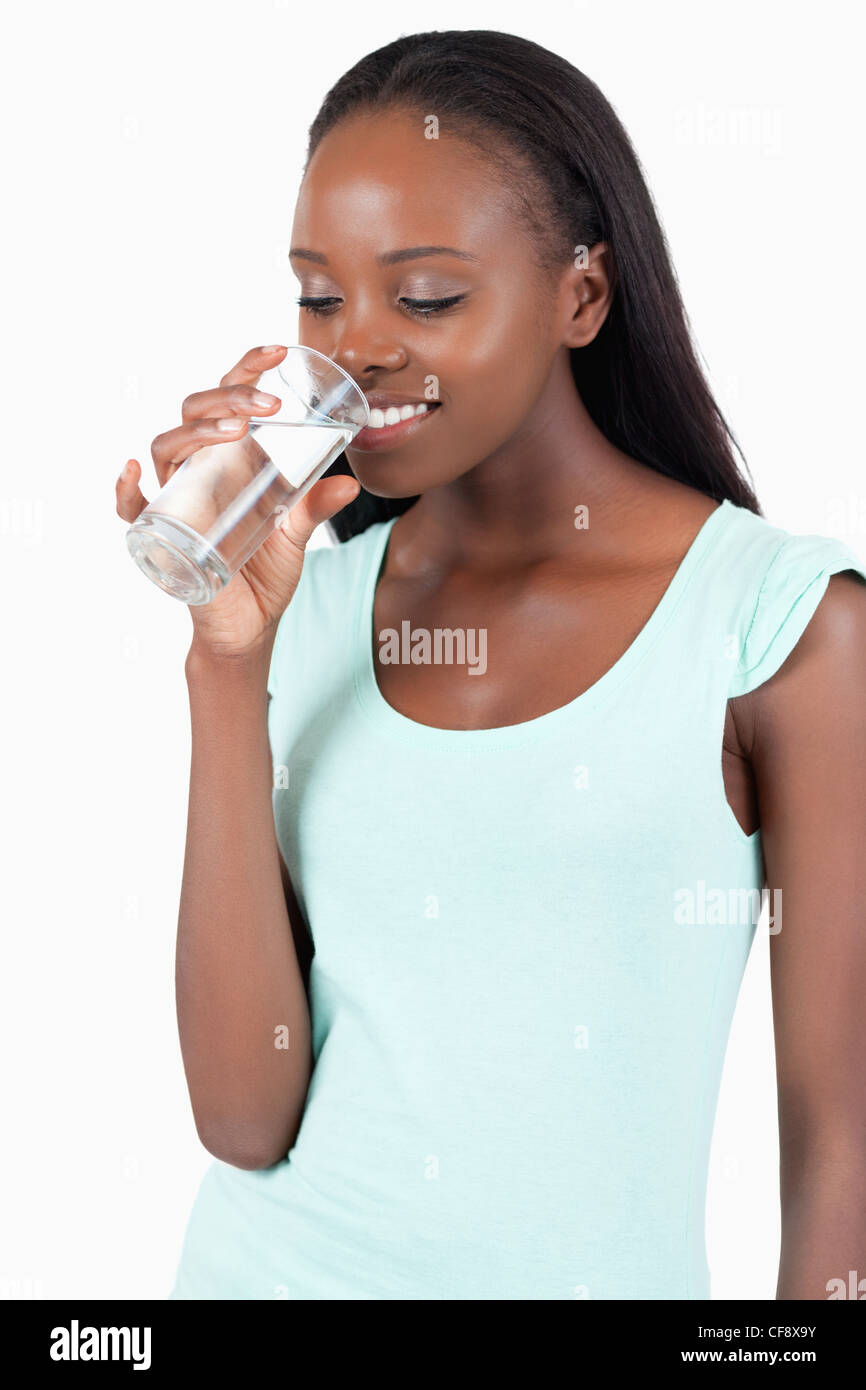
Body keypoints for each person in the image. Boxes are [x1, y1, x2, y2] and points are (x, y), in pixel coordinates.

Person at [116, 30, 866, 1300]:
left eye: (423, 298)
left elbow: (840, 1128)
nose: (354, 349)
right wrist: (224, 666)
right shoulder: (308, 601)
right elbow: (244, 1118)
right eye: (316, 294)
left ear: (580, 295)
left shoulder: (776, 624)